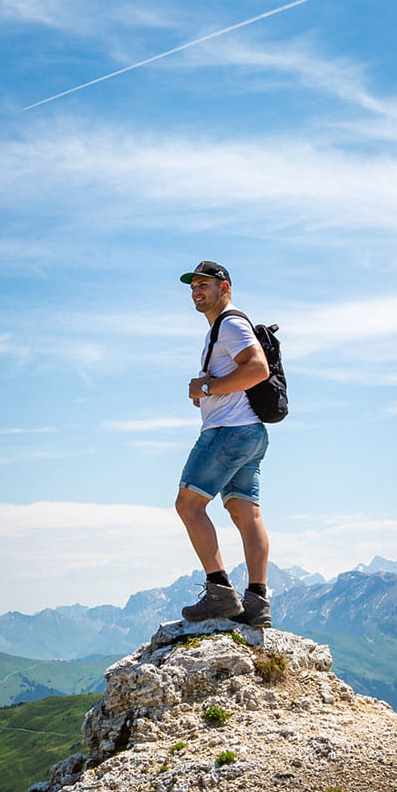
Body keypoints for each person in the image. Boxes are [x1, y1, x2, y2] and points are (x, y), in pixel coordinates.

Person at [175, 261, 273, 628]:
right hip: (251, 433)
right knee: (245, 513)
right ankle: (257, 602)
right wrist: (210, 389)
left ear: (225, 288)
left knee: (188, 504)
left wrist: (205, 388)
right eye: (193, 286)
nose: (197, 291)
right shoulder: (221, 328)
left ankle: (219, 592)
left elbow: (257, 369)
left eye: (205, 285)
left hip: (227, 431)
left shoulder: (230, 324)